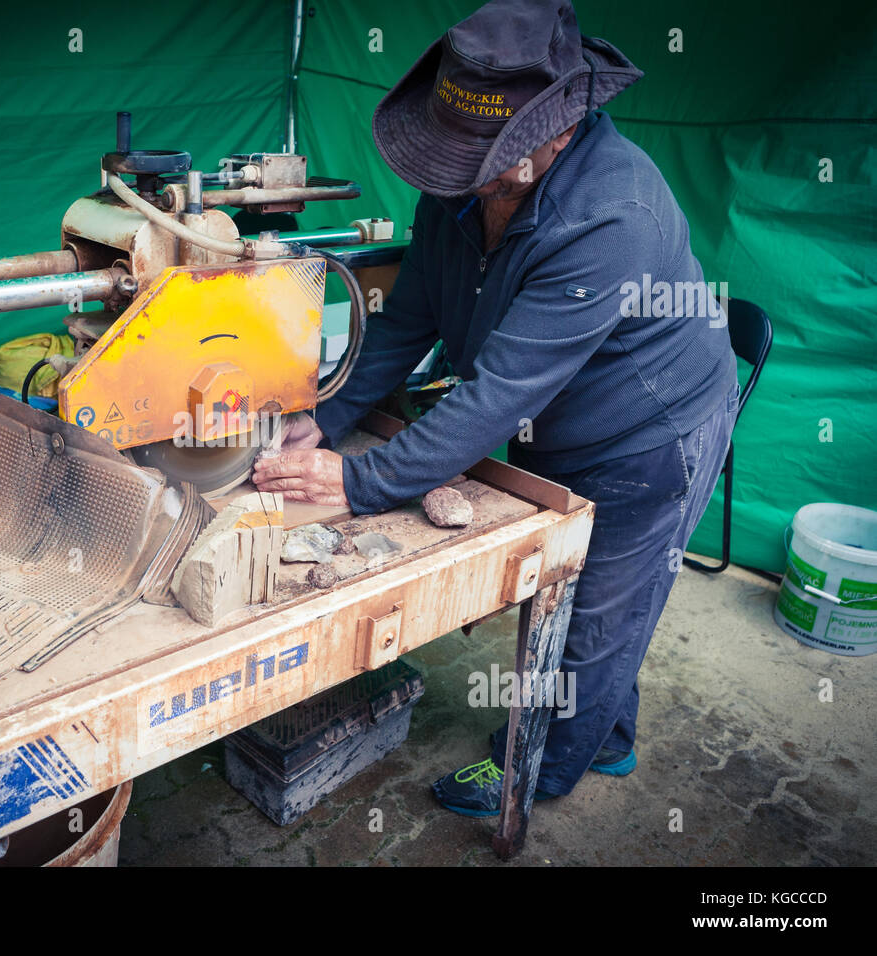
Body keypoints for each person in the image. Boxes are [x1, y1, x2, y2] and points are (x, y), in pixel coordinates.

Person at [253, 0, 739, 815]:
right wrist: (329, 416)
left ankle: (536, 773)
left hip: (651, 437)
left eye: (493, 154)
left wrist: (358, 482)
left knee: (599, 616)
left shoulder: (611, 212)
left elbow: (499, 391)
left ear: (563, 125)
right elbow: (409, 317)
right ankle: (607, 736)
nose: (468, 172)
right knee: (578, 594)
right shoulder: (462, 188)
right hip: (555, 418)